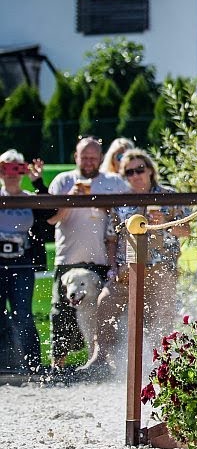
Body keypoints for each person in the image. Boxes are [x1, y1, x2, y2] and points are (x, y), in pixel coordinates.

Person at [95, 148, 189, 371]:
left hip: (161, 269)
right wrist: (112, 268)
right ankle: (100, 359)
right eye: (129, 172)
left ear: (150, 170)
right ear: (123, 176)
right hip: (127, 270)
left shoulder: (170, 196)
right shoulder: (122, 200)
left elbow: (186, 230)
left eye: (140, 169)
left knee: (161, 322)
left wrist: (165, 220)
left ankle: (162, 367)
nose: (136, 175)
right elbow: (111, 238)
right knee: (105, 303)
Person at [46, 136, 129, 369]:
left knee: (104, 313)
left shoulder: (114, 182)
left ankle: (105, 363)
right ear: (76, 157)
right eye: (85, 157)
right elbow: (51, 219)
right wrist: (71, 198)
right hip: (68, 258)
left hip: (102, 257)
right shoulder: (63, 181)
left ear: (101, 158)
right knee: (60, 311)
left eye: (93, 157)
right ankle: (57, 366)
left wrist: (100, 202)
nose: (89, 162)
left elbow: (124, 217)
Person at [0, 150, 54, 373]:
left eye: (17, 168)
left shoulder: (30, 198)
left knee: (23, 314)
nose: (12, 174)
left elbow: (52, 212)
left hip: (22, 264)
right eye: (6, 168)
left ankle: (33, 365)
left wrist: (38, 182)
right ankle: (6, 365)